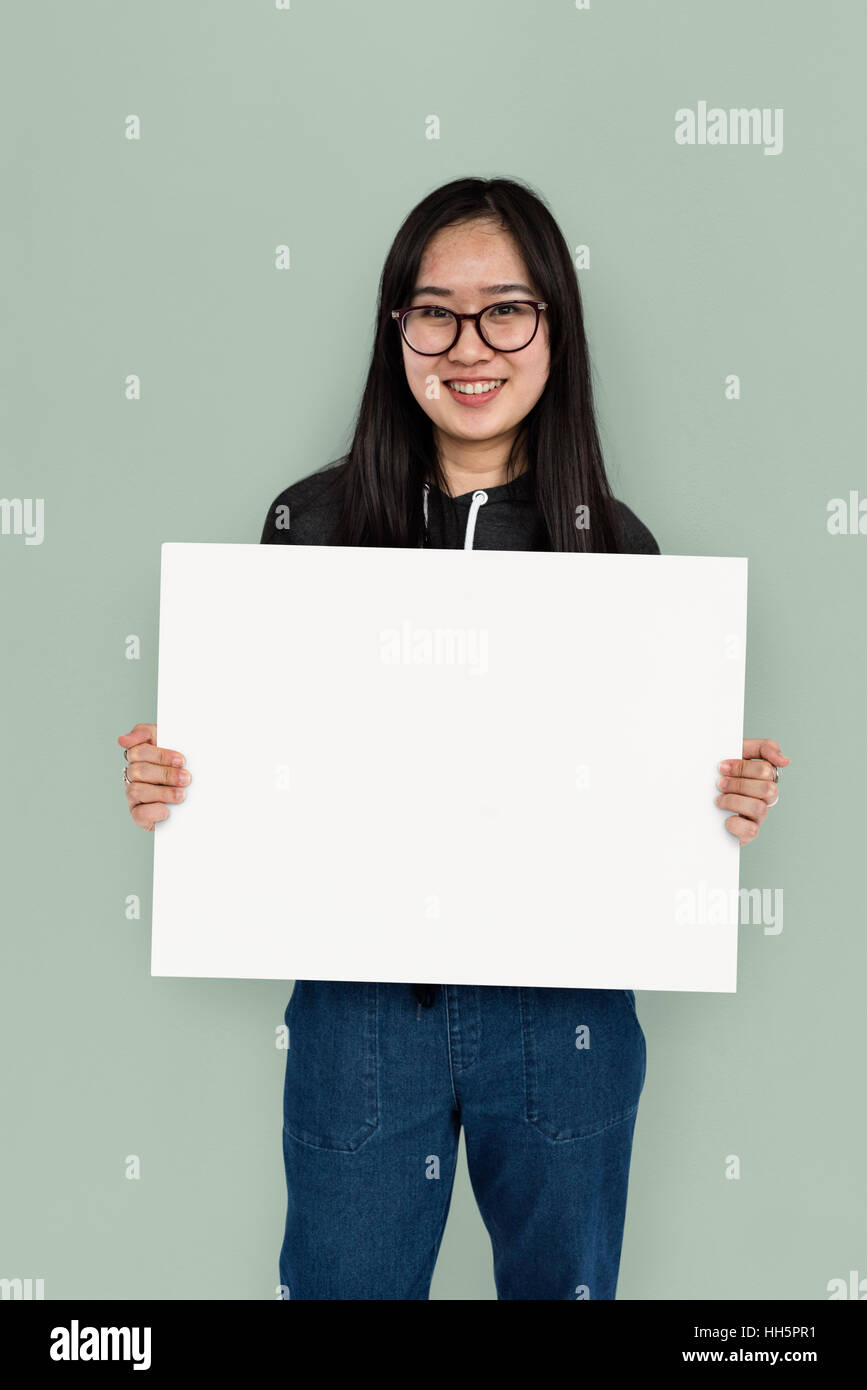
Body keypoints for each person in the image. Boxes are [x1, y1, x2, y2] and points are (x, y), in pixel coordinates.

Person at [117, 176, 789, 1300]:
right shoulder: (309, 526)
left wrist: (716, 802)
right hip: (363, 1012)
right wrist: (177, 786)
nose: (468, 345)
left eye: (505, 310)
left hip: (564, 1015)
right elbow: (264, 767)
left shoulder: (620, 553)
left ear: (554, 330)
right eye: (435, 311)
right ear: (397, 330)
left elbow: (637, 803)